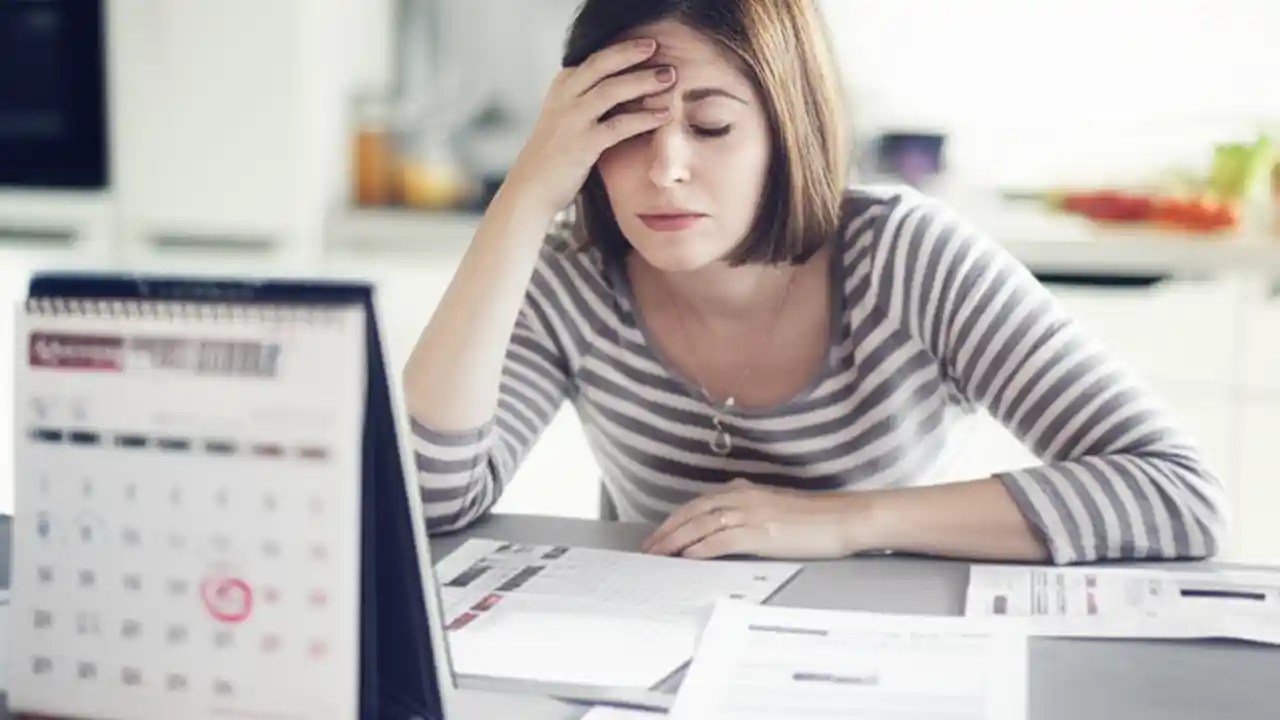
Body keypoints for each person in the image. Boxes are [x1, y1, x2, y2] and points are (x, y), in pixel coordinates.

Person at [402, 0, 1227, 565]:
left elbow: (1176, 493)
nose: (666, 170)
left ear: (785, 127)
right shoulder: (574, 273)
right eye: (625, 129)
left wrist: (843, 523)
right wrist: (523, 197)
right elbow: (427, 502)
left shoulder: (907, 256)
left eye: (713, 125)